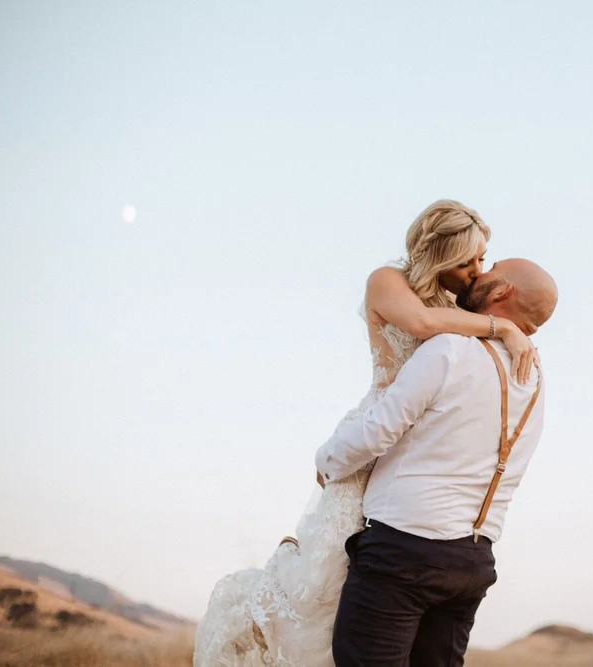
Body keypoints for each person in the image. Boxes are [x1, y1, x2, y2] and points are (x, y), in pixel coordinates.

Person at [194, 201, 537, 667]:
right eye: (467, 262)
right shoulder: (388, 282)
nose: (477, 273)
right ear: (437, 255)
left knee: (380, 599)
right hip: (375, 432)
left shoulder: (460, 311)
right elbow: (420, 325)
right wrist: (505, 327)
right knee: (325, 586)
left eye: (482, 259)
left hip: (414, 446)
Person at [318, 258, 558, 667]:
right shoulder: (533, 377)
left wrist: (326, 462)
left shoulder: (451, 349)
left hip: (404, 552)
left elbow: (378, 430)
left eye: (489, 268)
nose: (479, 272)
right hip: (474, 561)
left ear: (501, 292)